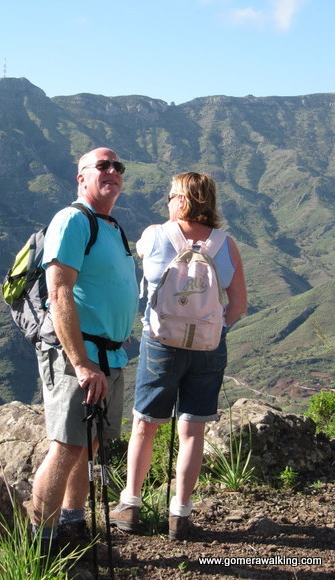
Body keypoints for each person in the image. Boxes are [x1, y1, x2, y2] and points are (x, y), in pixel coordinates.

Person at [109, 171, 247, 540]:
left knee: (145, 424)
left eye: (171, 195)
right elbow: (239, 305)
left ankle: (130, 505)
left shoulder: (156, 235)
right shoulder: (226, 244)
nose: (167, 201)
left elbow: (138, 256)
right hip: (208, 346)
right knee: (192, 429)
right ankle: (180, 516)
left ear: (183, 200)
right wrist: (214, 329)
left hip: (161, 342)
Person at [31, 148, 139, 556]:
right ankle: (38, 543)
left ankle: (72, 524)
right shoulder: (73, 220)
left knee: (88, 443)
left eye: (117, 167)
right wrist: (79, 363)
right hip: (82, 356)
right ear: (81, 177)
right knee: (66, 445)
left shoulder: (109, 224)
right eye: (102, 166)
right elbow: (59, 292)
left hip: (109, 356)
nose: (112, 172)